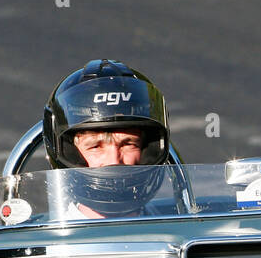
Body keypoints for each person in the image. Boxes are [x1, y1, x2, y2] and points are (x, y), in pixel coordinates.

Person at [42, 59, 171, 217]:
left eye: (128, 144)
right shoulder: (46, 240)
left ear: (148, 149)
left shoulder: (176, 232)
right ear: (70, 153)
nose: (114, 160)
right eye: (95, 147)